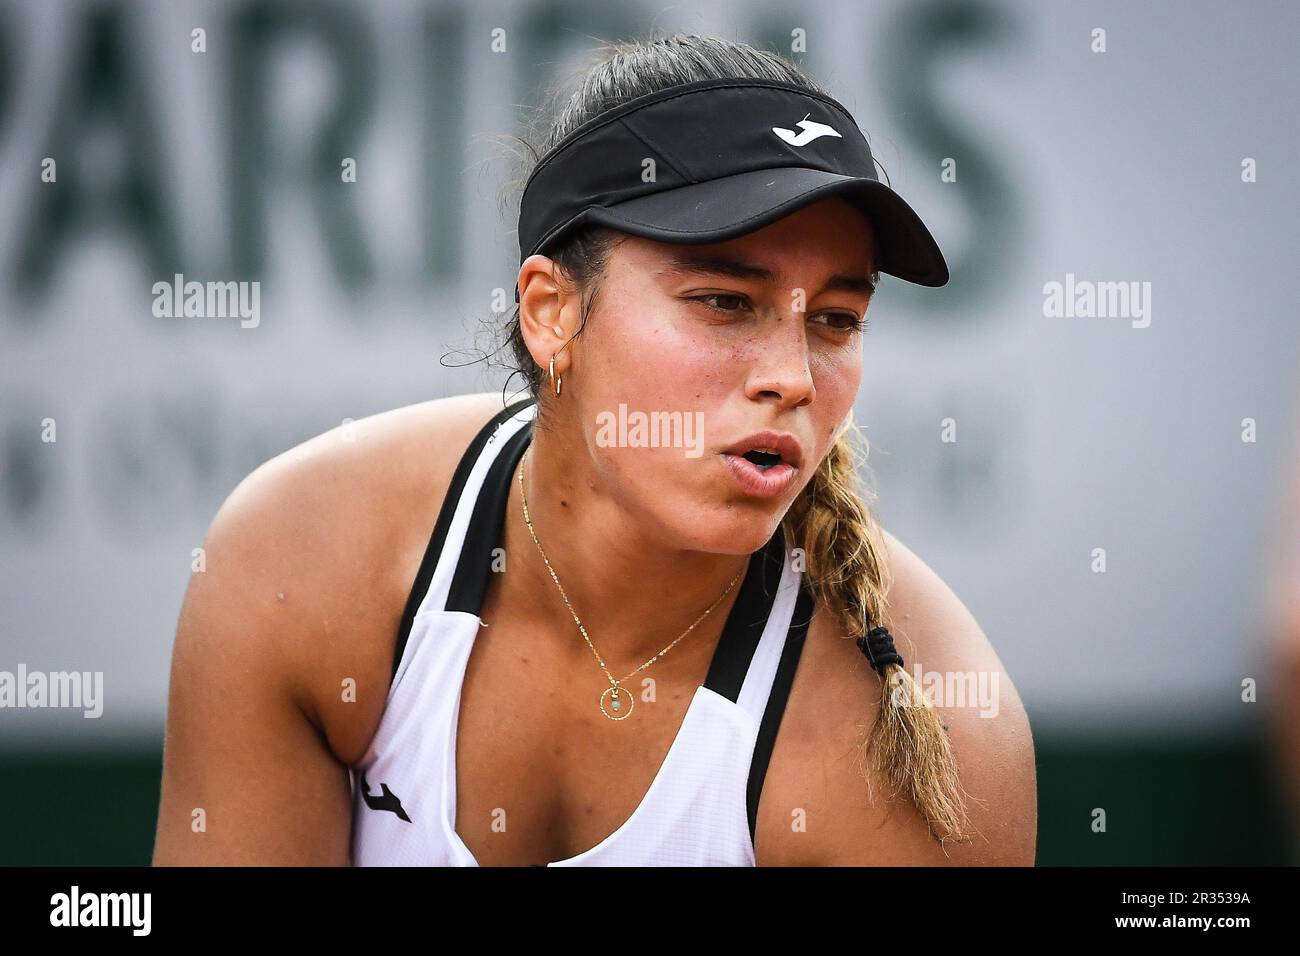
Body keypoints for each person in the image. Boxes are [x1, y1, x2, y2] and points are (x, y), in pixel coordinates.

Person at [152, 33, 1036, 866]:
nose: (793, 377)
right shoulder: (297, 555)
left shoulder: (930, 731)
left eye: (837, 319)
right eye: (726, 300)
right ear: (551, 313)